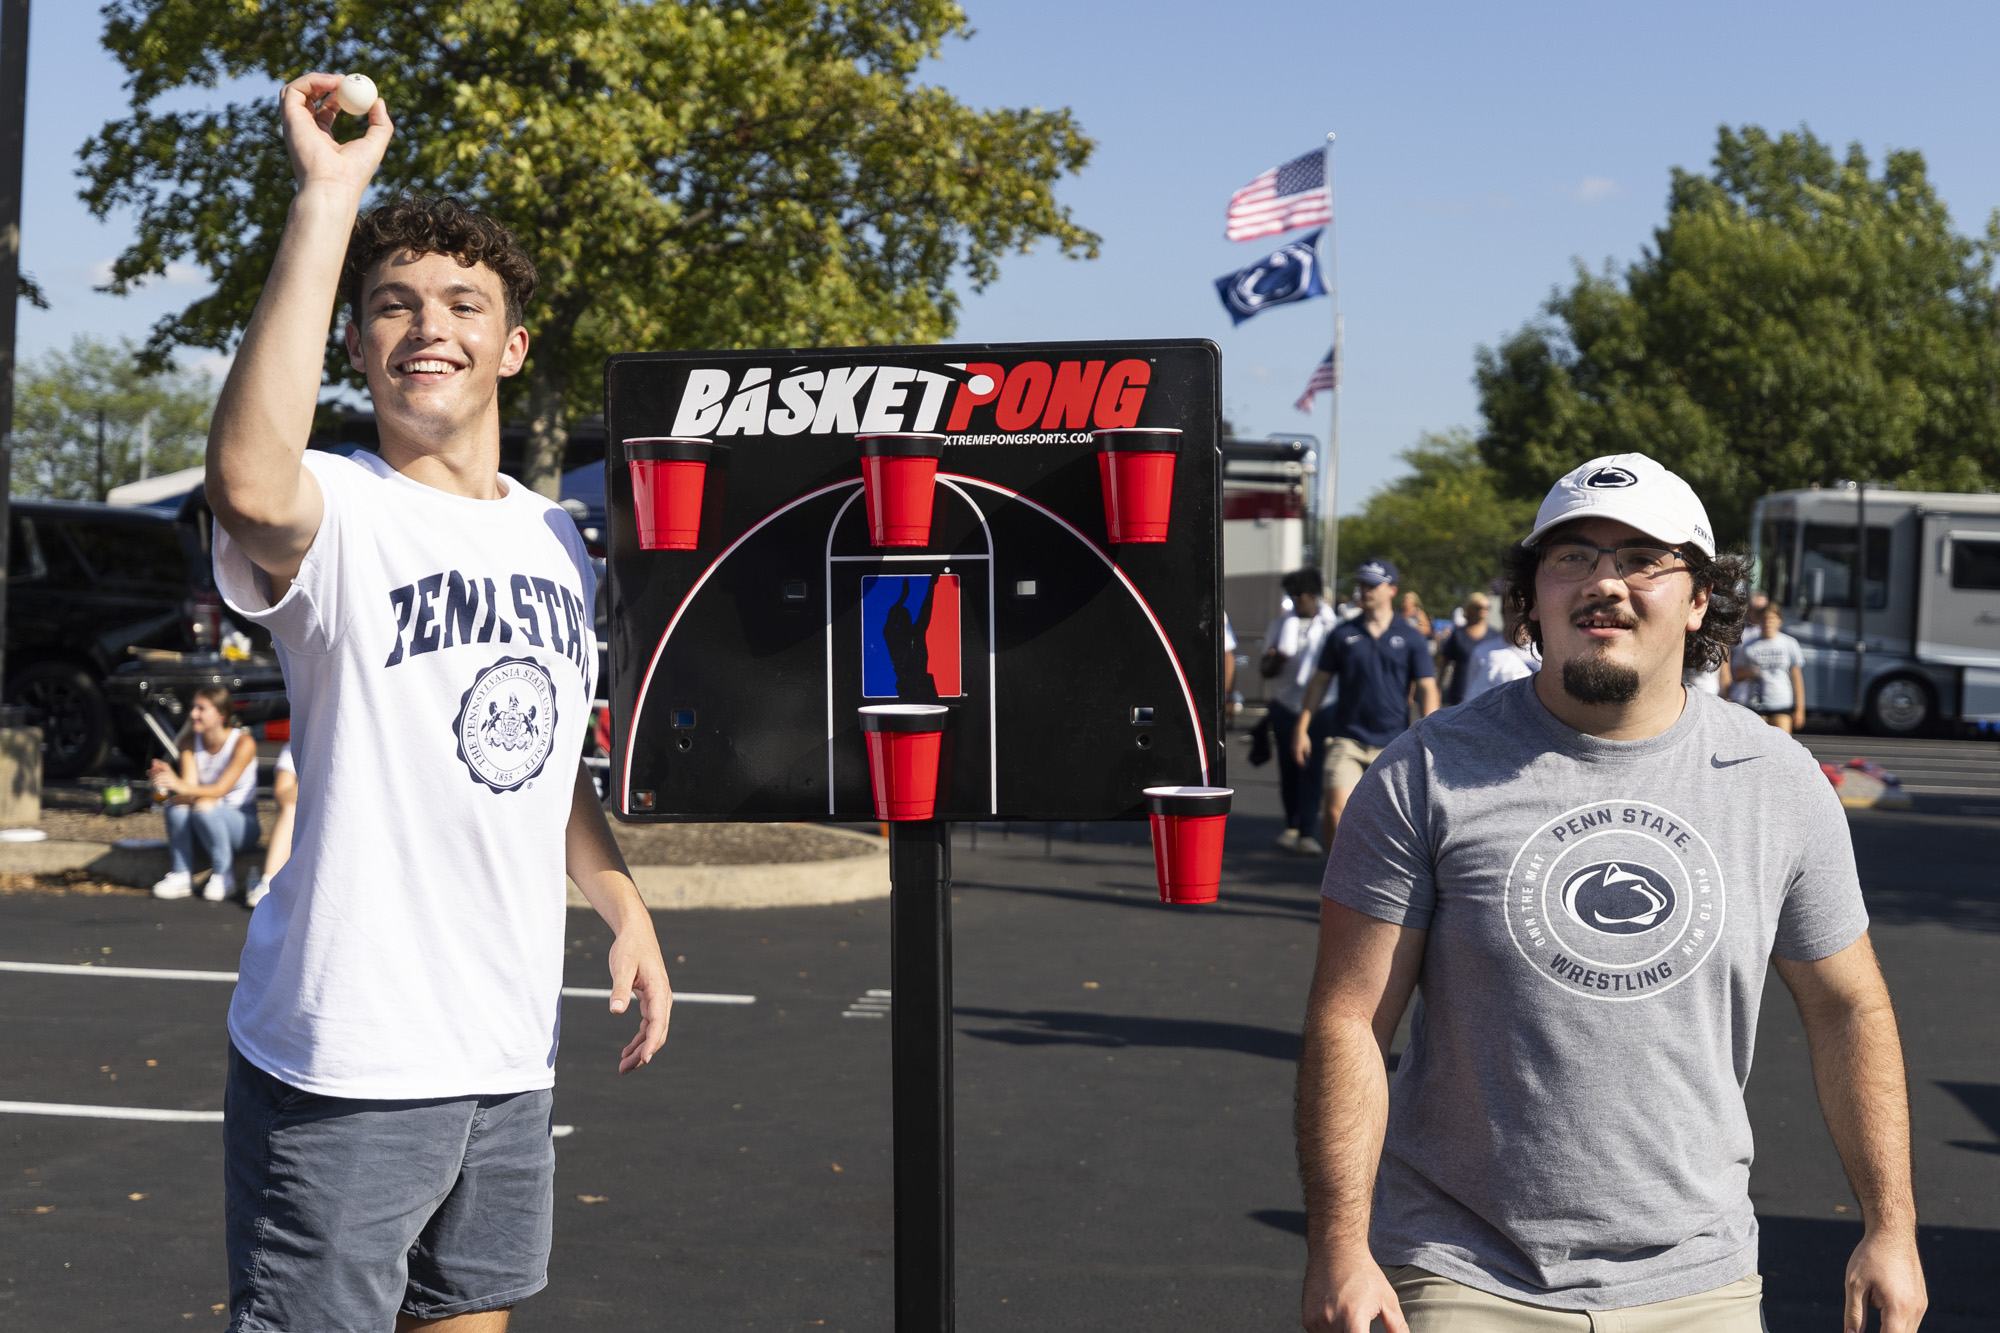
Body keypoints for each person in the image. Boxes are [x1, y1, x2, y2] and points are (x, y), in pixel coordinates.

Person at [204, 75, 670, 1331]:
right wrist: (328, 195)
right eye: (394, 305)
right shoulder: (340, 508)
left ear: (512, 346)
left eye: (465, 304)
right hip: (350, 1058)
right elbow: (247, 483)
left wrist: (618, 893)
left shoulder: (557, 539)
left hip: (507, 1052)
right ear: (354, 344)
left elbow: (534, 750)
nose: (430, 325)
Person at [1297, 453, 1924, 1332]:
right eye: (1573, 557)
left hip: (1699, 1281)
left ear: (1700, 598)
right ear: (1532, 595)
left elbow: (1849, 1007)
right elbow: (1351, 1019)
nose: (1606, 583)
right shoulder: (1426, 773)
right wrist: (1339, 1247)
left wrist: (1891, 1229)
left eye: (1642, 558)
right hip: (1461, 1272)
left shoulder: (1779, 781)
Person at [1289, 559, 1440, 848]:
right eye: (1362, 583)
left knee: (1392, 825)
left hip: (1393, 744)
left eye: (1373, 584)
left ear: (1392, 590)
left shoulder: (1411, 637)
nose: (1365, 589)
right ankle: (1337, 888)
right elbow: (1319, 681)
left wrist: (1431, 735)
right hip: (1346, 739)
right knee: (1336, 812)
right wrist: (1302, 727)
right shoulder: (1342, 634)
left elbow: (1427, 687)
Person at [149, 685, 261, 902]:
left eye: (201, 709)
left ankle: (224, 875)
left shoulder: (243, 742)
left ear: (221, 715)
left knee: (206, 805)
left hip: (242, 823)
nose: (193, 714)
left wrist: (179, 784)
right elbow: (188, 789)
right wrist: (169, 777)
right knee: (177, 806)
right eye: (193, 708)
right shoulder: (189, 741)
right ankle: (181, 873)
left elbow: (220, 790)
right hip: (206, 820)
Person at [1263, 570, 1339, 856]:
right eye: (1291, 595)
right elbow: (1265, 670)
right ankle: (1292, 824)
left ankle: (1307, 829)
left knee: (1313, 767)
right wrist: (1276, 659)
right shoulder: (1281, 625)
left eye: (1300, 595)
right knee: (1288, 767)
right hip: (1286, 703)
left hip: (1322, 707)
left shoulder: (1333, 627)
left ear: (1314, 595)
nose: (1295, 600)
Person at [1734, 602, 1806, 732]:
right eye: (1764, 619)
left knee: (1783, 746)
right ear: (1759, 621)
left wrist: (1800, 709)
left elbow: (1797, 678)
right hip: (1756, 703)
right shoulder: (1749, 646)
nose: (1768, 622)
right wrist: (1750, 673)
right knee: (1759, 747)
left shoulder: (1789, 643)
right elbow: (1737, 675)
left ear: (1780, 621)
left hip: (1781, 701)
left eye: (1772, 619)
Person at [243, 742, 296, 909]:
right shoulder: (295, 746)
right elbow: (282, 796)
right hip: (307, 817)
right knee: (290, 809)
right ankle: (268, 882)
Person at [1435, 592, 1492, 707]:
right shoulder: (1458, 634)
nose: (1484, 610)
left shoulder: (1494, 636)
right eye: (1480, 607)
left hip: (1487, 695)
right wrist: (1437, 688)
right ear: (1470, 608)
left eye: (1487, 607)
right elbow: (1444, 661)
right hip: (1460, 693)